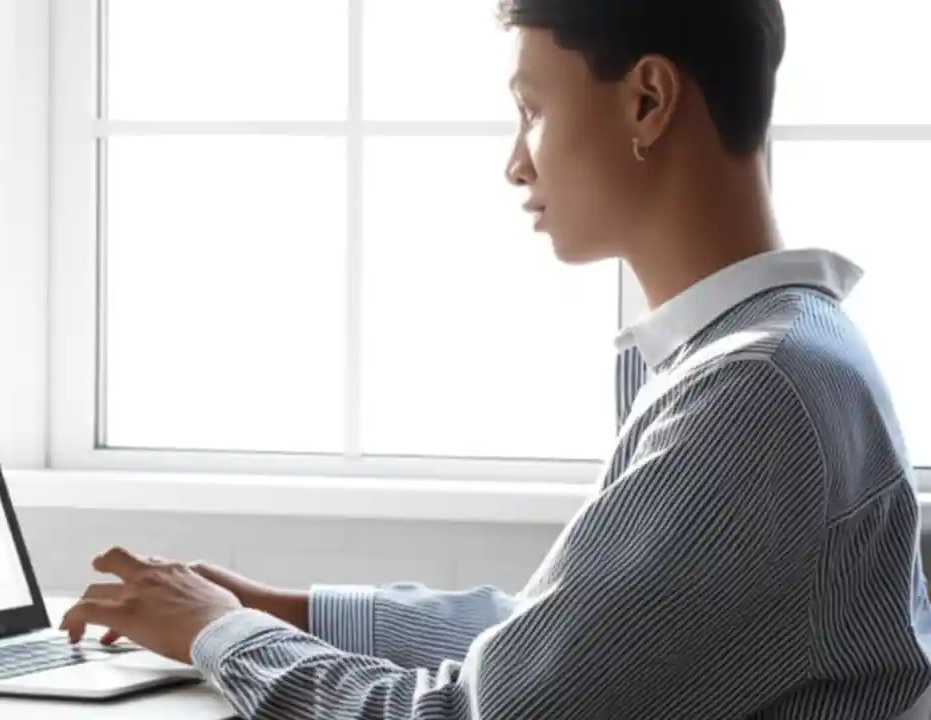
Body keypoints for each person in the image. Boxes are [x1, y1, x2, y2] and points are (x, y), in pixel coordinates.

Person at [60, 1, 931, 717]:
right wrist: (281, 609)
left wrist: (219, 635)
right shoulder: (771, 351)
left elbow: (479, 714)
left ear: (647, 101)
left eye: (533, 109)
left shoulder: (754, 397)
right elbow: (554, 640)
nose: (517, 162)